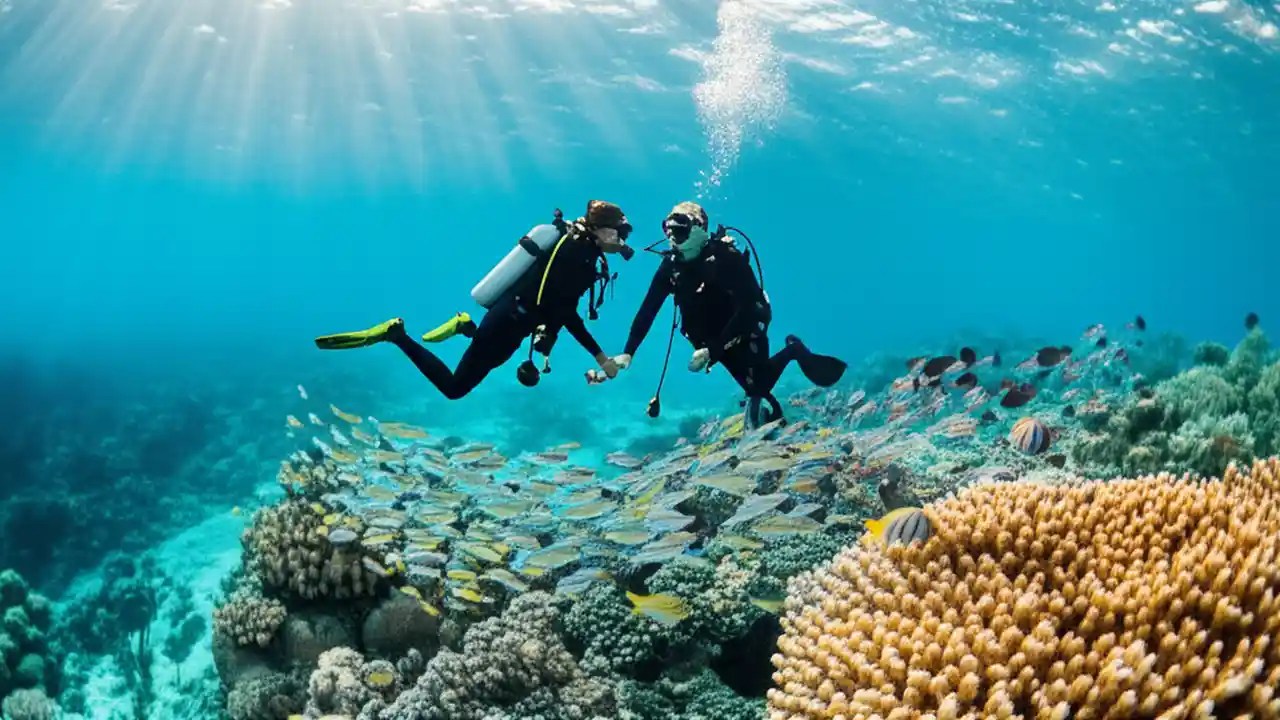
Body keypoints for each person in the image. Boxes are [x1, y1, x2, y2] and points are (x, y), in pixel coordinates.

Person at [314, 200, 635, 400]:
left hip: (512, 320)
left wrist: (545, 332)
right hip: (508, 321)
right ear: (603, 231)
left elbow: (555, 305)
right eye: (620, 232)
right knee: (455, 389)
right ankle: (396, 335)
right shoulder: (578, 256)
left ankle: (466, 327)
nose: (622, 240)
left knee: (484, 364)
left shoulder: (580, 251)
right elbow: (565, 312)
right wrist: (600, 357)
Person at [612, 201, 847, 426]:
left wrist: (713, 349)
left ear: (698, 229)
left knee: (758, 386)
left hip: (744, 328)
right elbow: (648, 309)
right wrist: (628, 351)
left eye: (679, 229)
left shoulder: (727, 258)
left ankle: (794, 349)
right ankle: (769, 414)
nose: (672, 237)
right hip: (710, 340)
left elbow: (748, 307)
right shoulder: (671, 267)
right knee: (754, 387)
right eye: (668, 229)